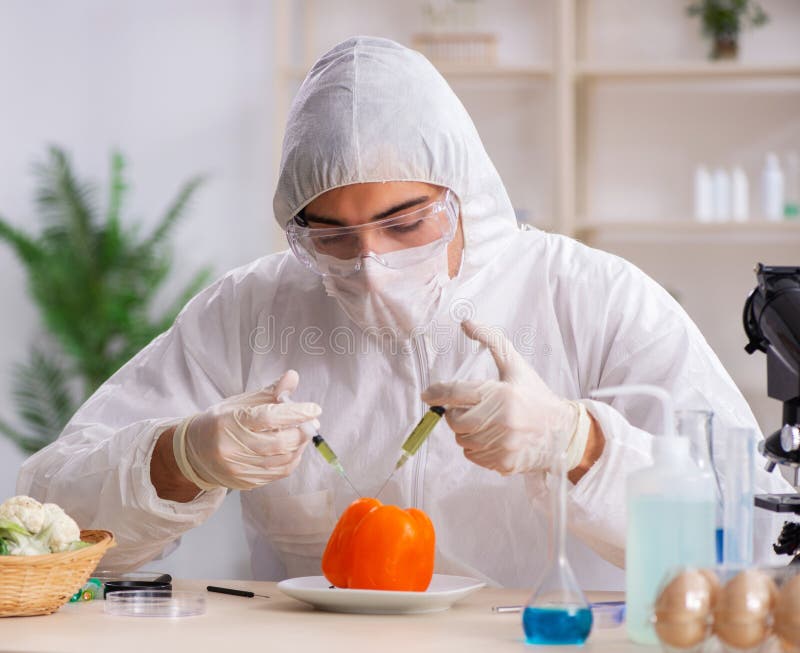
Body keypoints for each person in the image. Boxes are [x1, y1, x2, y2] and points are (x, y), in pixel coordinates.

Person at [17, 37, 789, 588]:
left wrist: (579, 443)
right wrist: (178, 458)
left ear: (465, 197)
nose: (372, 266)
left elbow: (757, 532)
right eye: (332, 235)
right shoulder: (251, 308)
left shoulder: (596, 296)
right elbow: (48, 515)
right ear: (296, 226)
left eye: (405, 222)